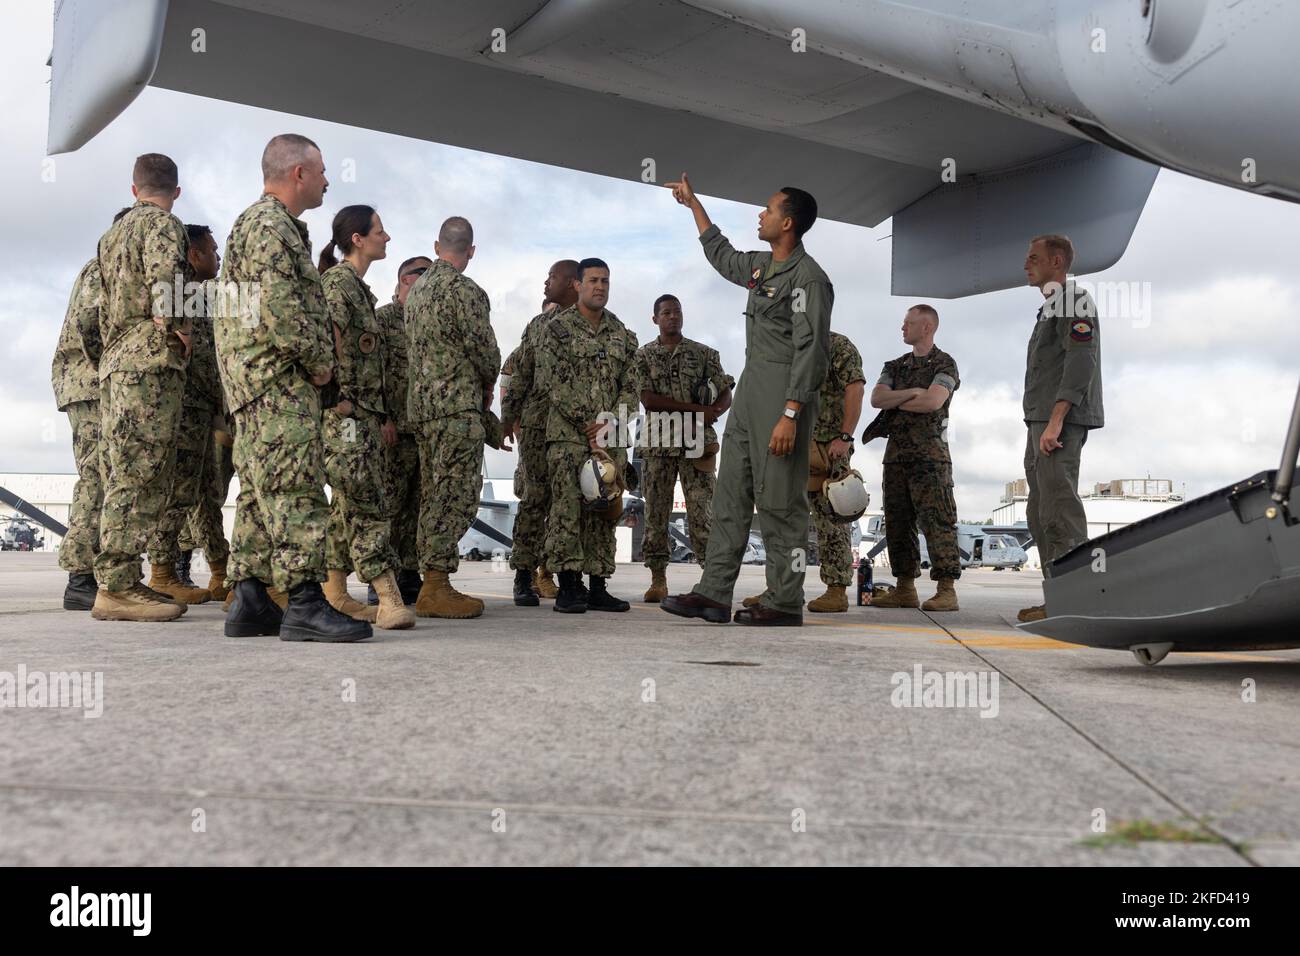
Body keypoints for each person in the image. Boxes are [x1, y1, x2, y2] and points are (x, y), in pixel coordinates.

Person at [216, 133, 371, 642]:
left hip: (257, 381)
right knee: (296, 488)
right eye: (322, 170)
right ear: (298, 173)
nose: (328, 179)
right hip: (277, 382)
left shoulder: (259, 225)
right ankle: (305, 601)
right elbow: (283, 308)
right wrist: (321, 362)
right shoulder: (270, 226)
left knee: (261, 497)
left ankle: (251, 599)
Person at [660, 175, 833, 626]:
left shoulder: (808, 280)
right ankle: (714, 593)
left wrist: (791, 414)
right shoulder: (761, 268)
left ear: (788, 222)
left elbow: (811, 351)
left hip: (782, 399)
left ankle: (785, 600)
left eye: (769, 210)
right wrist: (694, 205)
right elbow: (722, 256)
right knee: (729, 498)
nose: (761, 214)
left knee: (780, 505)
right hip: (751, 393)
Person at [91, 154, 192, 623]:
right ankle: (117, 587)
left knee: (122, 470)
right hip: (148, 365)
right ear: (176, 190)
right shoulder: (163, 226)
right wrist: (180, 327)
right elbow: (167, 281)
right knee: (143, 472)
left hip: (116, 363)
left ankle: (120, 580)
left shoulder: (110, 236)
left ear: (133, 189)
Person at [317, 205, 415, 630]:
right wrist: (335, 398)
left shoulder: (357, 288)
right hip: (348, 418)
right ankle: (389, 596)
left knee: (344, 509)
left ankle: (334, 594)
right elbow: (326, 342)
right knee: (368, 505)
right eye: (379, 231)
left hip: (364, 416)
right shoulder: (338, 285)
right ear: (357, 238)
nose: (386, 237)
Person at [406, 216, 500, 619]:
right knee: (456, 495)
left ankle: (430, 579)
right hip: (457, 409)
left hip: (423, 411)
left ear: (437, 245)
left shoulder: (417, 290)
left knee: (432, 494)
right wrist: (486, 384)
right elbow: (486, 353)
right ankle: (436, 585)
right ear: (471, 251)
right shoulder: (467, 292)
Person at [535, 258, 639, 613]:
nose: (600, 287)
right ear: (577, 285)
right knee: (566, 510)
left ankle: (598, 585)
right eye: (593, 280)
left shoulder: (623, 335)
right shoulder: (556, 330)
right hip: (568, 437)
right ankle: (567, 585)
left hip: (610, 438)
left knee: (603, 509)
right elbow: (552, 382)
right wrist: (588, 424)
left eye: (605, 281)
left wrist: (609, 423)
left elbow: (631, 385)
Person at [745, 330, 863, 612]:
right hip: (788, 443)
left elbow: (854, 388)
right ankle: (783, 587)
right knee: (783, 520)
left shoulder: (836, 344)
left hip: (827, 446)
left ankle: (836, 589)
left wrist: (845, 437)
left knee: (831, 517)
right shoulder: (782, 345)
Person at [1019, 234, 1103, 622]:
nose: (1026, 264)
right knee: (1040, 509)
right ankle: (1058, 596)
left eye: (1033, 258)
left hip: (1057, 423)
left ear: (1057, 261)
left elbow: (1081, 361)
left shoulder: (1073, 300)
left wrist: (1055, 420)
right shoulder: (1053, 306)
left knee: (1059, 508)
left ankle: (1076, 599)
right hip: (1041, 421)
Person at [50, 208, 129, 611]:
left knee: (104, 474)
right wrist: (110, 367)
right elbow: (88, 323)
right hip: (89, 384)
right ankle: (80, 577)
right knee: (97, 476)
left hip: (92, 383)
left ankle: (91, 575)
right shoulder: (101, 267)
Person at [632, 294, 733, 603]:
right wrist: (695, 410)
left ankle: (710, 580)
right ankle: (658, 578)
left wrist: (714, 411)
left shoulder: (704, 354)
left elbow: (725, 391)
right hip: (659, 443)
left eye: (676, 312)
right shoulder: (644, 356)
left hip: (697, 444)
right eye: (665, 313)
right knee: (657, 513)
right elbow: (648, 400)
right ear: (655, 319)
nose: (672, 317)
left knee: (703, 512)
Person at [146, 224, 224, 606]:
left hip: (203, 408)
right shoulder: (179, 297)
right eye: (211, 249)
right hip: (184, 405)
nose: (217, 256)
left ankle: (218, 570)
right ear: (193, 254)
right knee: (178, 490)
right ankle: (162, 572)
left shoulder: (202, 296)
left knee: (205, 492)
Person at [868, 305, 962, 612]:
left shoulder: (944, 364)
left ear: (927, 328)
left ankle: (946, 590)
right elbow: (877, 399)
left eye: (909, 323)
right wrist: (913, 393)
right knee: (898, 523)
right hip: (896, 458)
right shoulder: (894, 365)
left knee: (937, 521)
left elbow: (933, 402)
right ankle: (904, 589)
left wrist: (902, 398)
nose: (902, 327)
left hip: (930, 458)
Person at [501, 260, 579, 605]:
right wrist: (508, 417)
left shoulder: (596, 328)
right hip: (537, 426)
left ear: (572, 283)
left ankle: (570, 578)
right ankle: (523, 576)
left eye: (552, 277)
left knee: (572, 502)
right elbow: (519, 374)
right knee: (534, 499)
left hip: (578, 429)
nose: (545, 283)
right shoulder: (538, 326)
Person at [372, 255, 432, 606]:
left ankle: (409, 571)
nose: (422, 282)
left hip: (423, 429)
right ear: (400, 283)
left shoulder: (429, 322)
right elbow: (371, 373)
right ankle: (382, 576)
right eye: (415, 276)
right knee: (389, 505)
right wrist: (382, 418)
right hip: (392, 429)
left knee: (418, 505)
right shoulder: (383, 320)